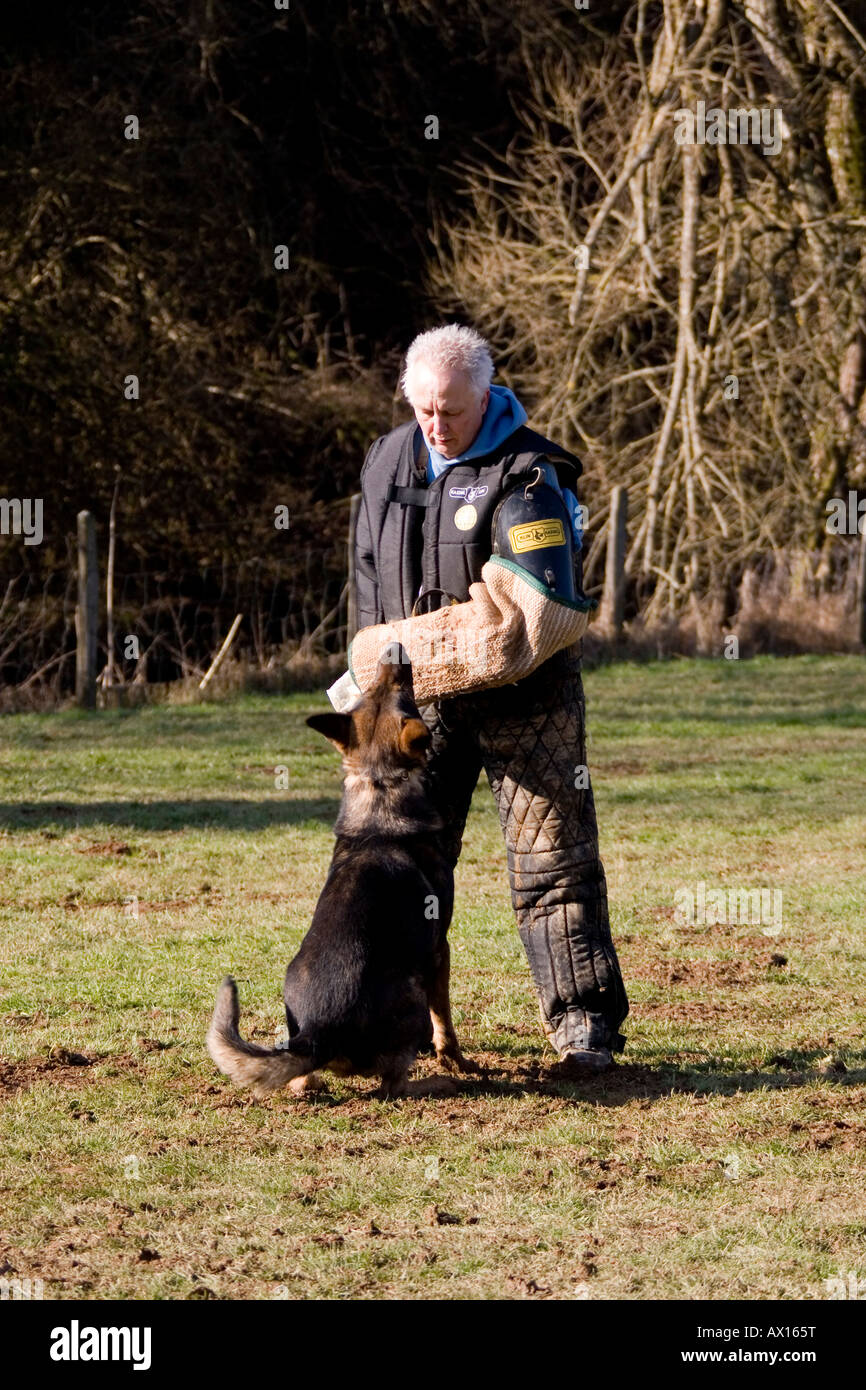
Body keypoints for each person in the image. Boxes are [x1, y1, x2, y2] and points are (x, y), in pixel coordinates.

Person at [351, 324, 628, 1073]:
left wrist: (414, 644)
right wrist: (375, 682)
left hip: (529, 704)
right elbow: (369, 593)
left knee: (553, 860)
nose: (436, 426)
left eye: (453, 411)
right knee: (395, 864)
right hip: (416, 707)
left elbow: (527, 623)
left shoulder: (532, 473)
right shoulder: (383, 462)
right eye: (424, 410)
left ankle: (583, 1031)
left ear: (488, 395)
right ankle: (385, 1024)